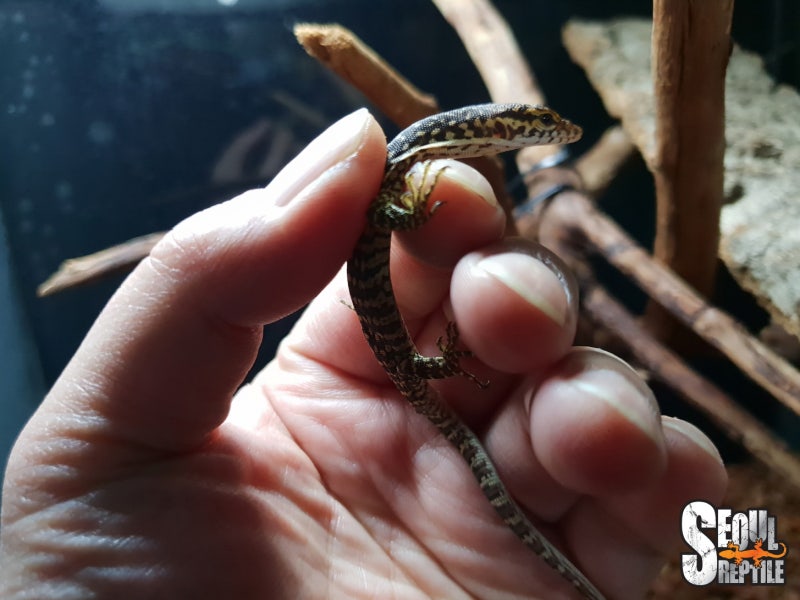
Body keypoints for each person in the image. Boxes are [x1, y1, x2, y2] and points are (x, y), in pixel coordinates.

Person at [0, 109, 726, 599]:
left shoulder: (420, 157)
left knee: (518, 349)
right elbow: (386, 209)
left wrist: (439, 357)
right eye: (537, 129)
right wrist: (435, 342)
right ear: (504, 127)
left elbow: (390, 211)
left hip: (407, 360)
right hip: (403, 357)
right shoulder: (408, 160)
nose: (545, 135)